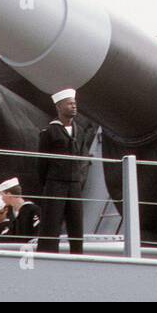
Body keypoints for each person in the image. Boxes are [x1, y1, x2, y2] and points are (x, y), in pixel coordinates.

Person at [37, 88, 90, 254]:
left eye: (74, 103)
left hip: (74, 183)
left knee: (76, 222)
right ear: (59, 107)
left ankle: (77, 254)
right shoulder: (49, 132)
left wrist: (79, 178)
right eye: (69, 104)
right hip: (56, 182)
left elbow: (83, 156)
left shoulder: (79, 131)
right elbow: (42, 162)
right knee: (52, 221)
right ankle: (48, 254)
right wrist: (47, 184)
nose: (74, 106)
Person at [0, 178, 41, 243]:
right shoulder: (13, 214)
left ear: (9, 194)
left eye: (2, 195)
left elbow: (38, 232)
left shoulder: (33, 210)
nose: (2, 198)